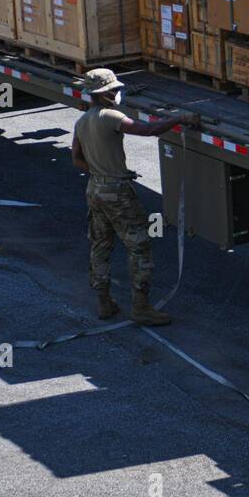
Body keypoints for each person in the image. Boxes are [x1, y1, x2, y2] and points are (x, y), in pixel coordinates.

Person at [72, 67, 199, 325]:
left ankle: (104, 302)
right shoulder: (109, 116)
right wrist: (179, 119)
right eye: (114, 90)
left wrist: (99, 173)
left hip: (94, 188)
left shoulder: (82, 121)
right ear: (105, 93)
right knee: (139, 247)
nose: (118, 92)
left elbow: (76, 159)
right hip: (117, 193)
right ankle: (141, 308)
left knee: (100, 246)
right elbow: (146, 130)